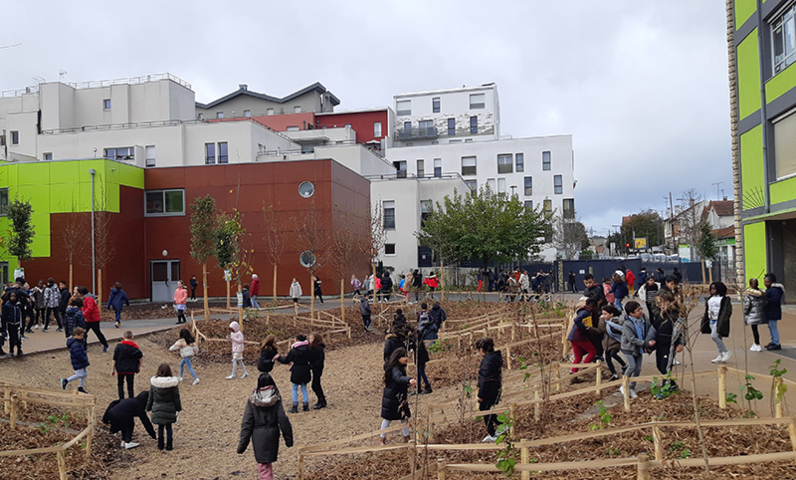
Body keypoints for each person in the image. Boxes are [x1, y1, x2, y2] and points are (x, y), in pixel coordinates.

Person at [237, 372, 294, 480]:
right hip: (273, 433)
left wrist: (242, 444)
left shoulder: (253, 400)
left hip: (258, 434)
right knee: (267, 462)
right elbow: (283, 419)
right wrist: (288, 439)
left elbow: (247, 423)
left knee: (263, 464)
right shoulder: (276, 398)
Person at [379, 347, 415, 445]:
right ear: (398, 358)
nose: (406, 358)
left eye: (406, 356)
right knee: (388, 418)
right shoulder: (396, 369)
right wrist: (408, 380)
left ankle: (406, 438)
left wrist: (407, 384)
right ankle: (381, 439)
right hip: (393, 397)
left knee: (404, 417)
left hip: (399, 396)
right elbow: (398, 378)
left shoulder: (398, 367)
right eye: (403, 356)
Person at [651, 291, 685, 396]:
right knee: (659, 365)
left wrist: (680, 343)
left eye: (663, 303)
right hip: (660, 345)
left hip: (670, 345)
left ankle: (665, 389)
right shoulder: (660, 315)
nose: (661, 305)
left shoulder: (675, 316)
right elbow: (655, 329)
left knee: (666, 366)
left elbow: (682, 331)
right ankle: (672, 384)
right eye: (659, 303)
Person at [620, 301, 656, 398]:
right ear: (631, 314)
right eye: (638, 310)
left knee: (638, 369)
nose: (641, 311)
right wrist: (645, 343)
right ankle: (624, 384)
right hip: (628, 348)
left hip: (639, 348)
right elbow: (631, 338)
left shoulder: (645, 319)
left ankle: (632, 388)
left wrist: (648, 344)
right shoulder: (627, 324)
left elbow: (648, 331)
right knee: (632, 366)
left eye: (641, 309)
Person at [146, 363, 182, 451]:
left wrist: (148, 407)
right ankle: (169, 445)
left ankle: (160, 444)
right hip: (169, 407)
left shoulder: (154, 383)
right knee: (169, 427)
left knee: (160, 427)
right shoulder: (173, 384)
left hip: (157, 407)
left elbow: (150, 397)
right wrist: (178, 408)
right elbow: (176, 398)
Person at [274, 335, 312, 413]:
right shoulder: (309, 349)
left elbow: (286, 360)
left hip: (297, 369)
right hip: (306, 368)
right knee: (304, 387)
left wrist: (279, 357)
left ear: (297, 340)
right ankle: (306, 404)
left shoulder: (294, 350)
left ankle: (295, 405)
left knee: (294, 387)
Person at [476, 337, 503, 442]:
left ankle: (492, 433)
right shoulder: (495, 358)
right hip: (495, 386)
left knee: (484, 409)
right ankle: (500, 425)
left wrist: (481, 395)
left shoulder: (486, 362)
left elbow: (485, 380)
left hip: (489, 390)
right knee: (487, 409)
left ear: (481, 350)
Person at [700, 282, 732, 363]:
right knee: (718, 338)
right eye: (711, 289)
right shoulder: (710, 298)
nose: (712, 291)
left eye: (714, 289)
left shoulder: (724, 299)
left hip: (719, 320)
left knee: (714, 336)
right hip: (711, 319)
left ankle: (726, 351)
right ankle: (720, 355)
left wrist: (724, 319)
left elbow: (727, 311)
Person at [567, 298, 599, 378]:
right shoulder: (586, 312)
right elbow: (577, 320)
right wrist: (584, 328)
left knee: (578, 356)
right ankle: (584, 368)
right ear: (592, 306)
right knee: (593, 351)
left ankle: (573, 373)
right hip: (579, 336)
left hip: (573, 336)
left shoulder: (582, 310)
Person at [598, 305, 627, 381]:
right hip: (606, 343)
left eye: (605, 314)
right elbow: (601, 330)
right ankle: (614, 374)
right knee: (608, 359)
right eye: (602, 314)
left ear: (611, 314)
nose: (603, 316)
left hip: (615, 342)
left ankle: (624, 365)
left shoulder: (616, 322)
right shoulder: (603, 321)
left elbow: (620, 330)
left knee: (613, 353)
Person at [112, 330, 144, 399]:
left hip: (120, 369)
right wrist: (138, 367)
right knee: (130, 385)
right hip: (131, 369)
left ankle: (121, 398)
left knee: (120, 384)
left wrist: (113, 369)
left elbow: (114, 358)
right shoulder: (135, 348)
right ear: (132, 337)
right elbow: (141, 358)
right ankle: (131, 399)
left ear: (123, 337)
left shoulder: (119, 347)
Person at [78, 286, 108, 352]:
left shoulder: (88, 298)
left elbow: (90, 308)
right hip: (88, 319)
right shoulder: (85, 298)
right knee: (84, 333)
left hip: (93, 319)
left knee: (97, 332)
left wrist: (83, 315)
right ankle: (84, 346)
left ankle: (105, 344)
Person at [61, 327, 89, 393]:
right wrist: (84, 359)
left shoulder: (80, 342)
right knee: (80, 374)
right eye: (81, 336)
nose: (82, 337)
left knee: (85, 373)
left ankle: (80, 387)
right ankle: (66, 380)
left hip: (81, 361)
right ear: (76, 335)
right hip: (78, 361)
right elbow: (78, 354)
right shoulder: (75, 344)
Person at [743, 278, 767, 352]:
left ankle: (757, 344)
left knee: (754, 329)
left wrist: (745, 312)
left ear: (750, 285)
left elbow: (747, 305)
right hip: (760, 312)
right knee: (755, 329)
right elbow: (765, 302)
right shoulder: (762, 293)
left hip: (752, 313)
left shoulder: (748, 294)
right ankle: (756, 343)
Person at [764, 274, 785, 351]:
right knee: (770, 326)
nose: (765, 283)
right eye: (765, 282)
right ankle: (773, 341)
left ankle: (776, 343)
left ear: (772, 282)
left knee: (773, 326)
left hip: (773, 311)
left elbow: (775, 300)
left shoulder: (774, 290)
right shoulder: (770, 289)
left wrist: (765, 300)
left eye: (767, 282)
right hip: (770, 311)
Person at [2, 291, 24, 357]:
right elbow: (4, 317)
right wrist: (4, 328)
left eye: (14, 296)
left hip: (17, 324)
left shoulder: (19, 305)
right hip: (10, 324)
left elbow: (22, 315)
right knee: (11, 338)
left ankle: (19, 349)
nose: (13, 298)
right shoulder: (7, 305)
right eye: (11, 296)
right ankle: (11, 350)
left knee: (18, 338)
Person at [309, 334, 326, 409]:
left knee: (315, 385)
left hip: (318, 368)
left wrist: (313, 366)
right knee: (316, 384)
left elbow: (320, 359)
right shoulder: (312, 347)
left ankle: (322, 400)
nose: (310, 340)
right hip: (314, 367)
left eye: (311, 338)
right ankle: (321, 400)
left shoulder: (319, 348)